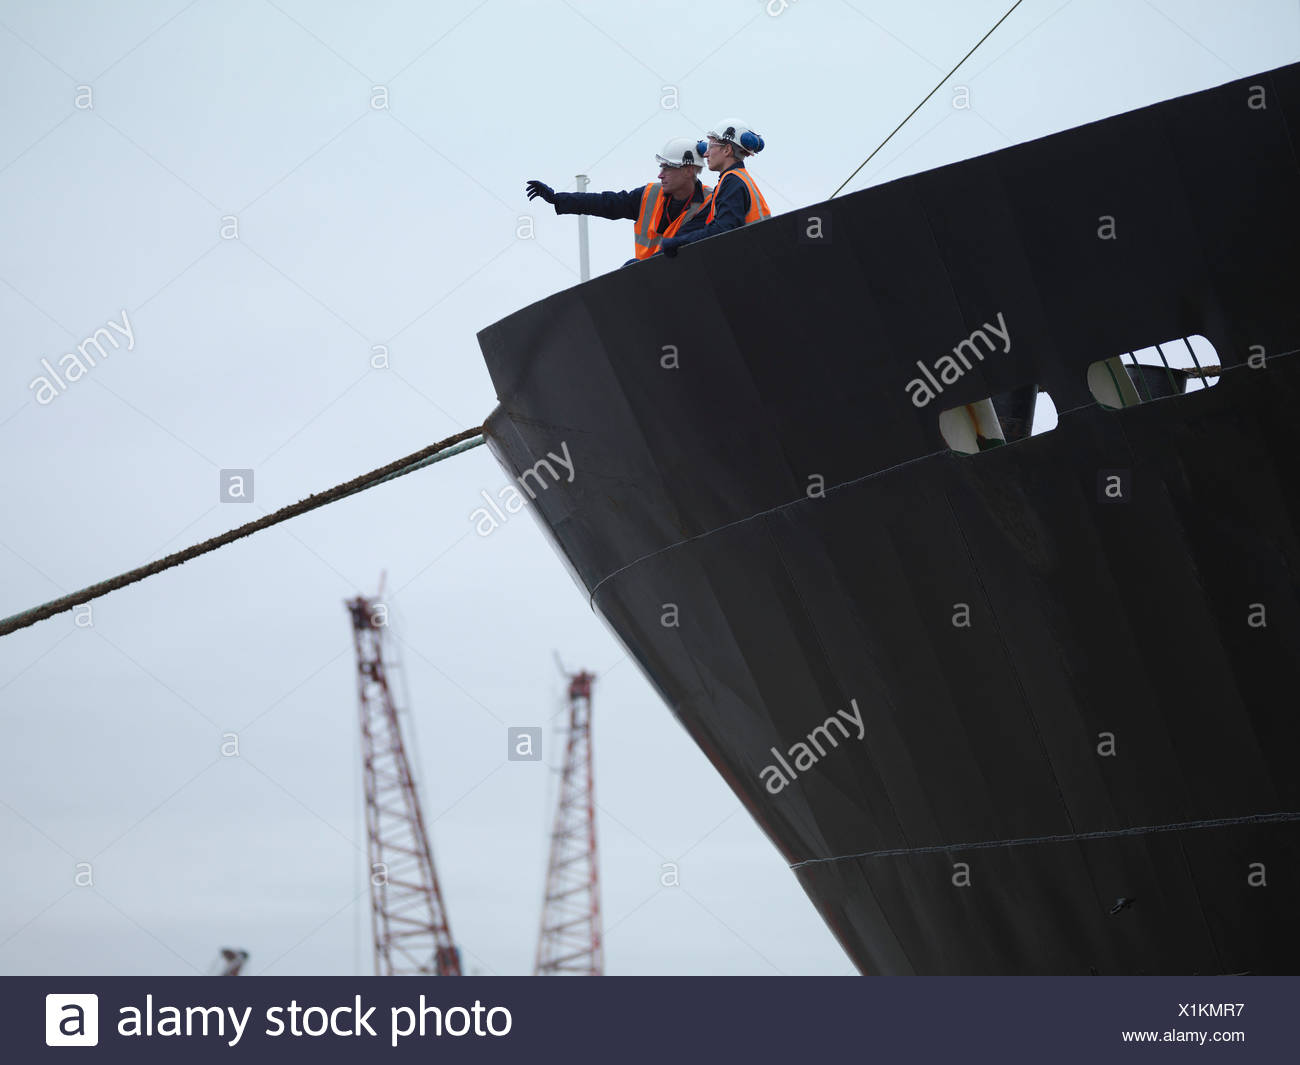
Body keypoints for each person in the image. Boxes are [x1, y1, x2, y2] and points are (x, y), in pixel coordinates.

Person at [525, 138, 712, 264]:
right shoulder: (649, 195)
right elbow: (605, 203)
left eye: (667, 168)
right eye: (660, 167)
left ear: (688, 170)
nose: (660, 174)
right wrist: (558, 198)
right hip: (647, 279)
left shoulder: (710, 203)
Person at [659, 120, 770, 258]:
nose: (705, 154)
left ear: (727, 150)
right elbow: (702, 225)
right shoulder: (734, 180)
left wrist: (679, 242)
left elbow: (723, 230)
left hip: (752, 263)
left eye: (710, 146)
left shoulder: (733, 182)